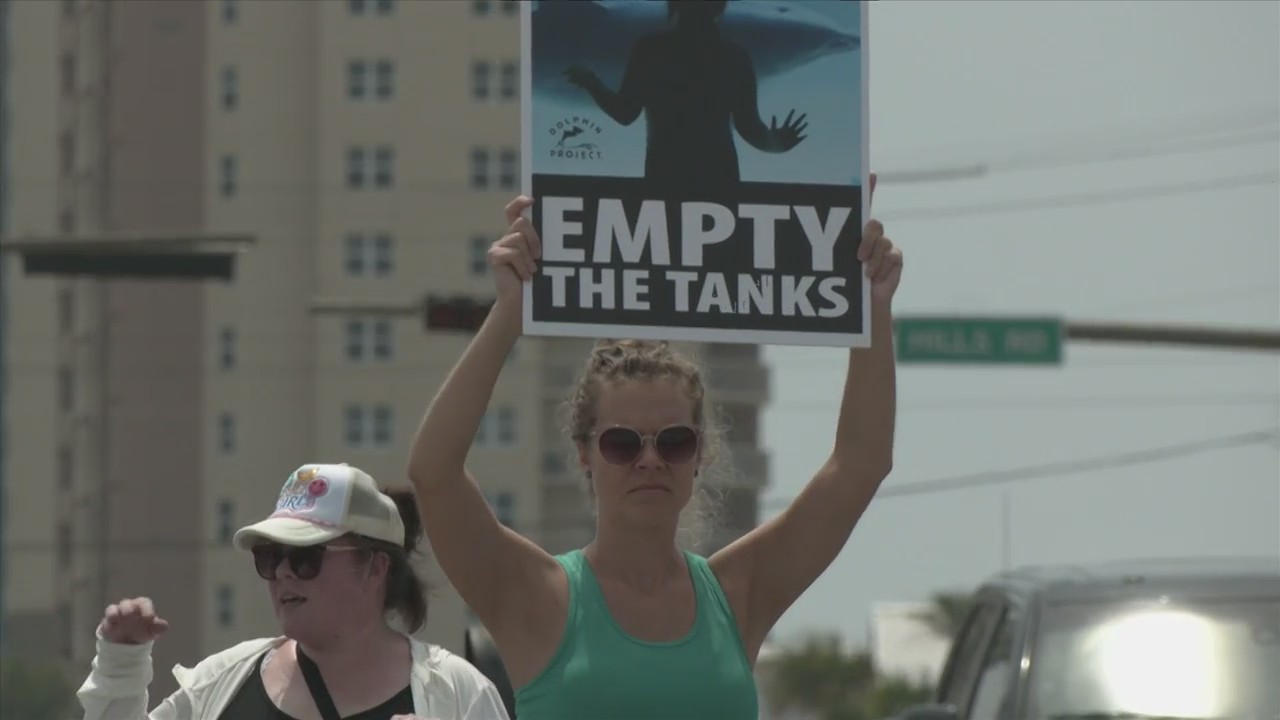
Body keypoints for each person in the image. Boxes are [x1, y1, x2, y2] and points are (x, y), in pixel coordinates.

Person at [408, 175, 901, 718]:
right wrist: (509, 313)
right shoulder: (539, 598)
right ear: (584, 455)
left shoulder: (738, 595)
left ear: (700, 456)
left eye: (674, 441)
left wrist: (871, 306)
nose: (650, 460)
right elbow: (434, 474)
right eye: (622, 443)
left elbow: (861, 463)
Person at [76, 463, 510, 720]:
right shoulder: (222, 683)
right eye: (270, 556)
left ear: (375, 567)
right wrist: (121, 665)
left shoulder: (457, 695)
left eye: (306, 557)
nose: (283, 573)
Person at [564, 0, 807, 196]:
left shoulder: (650, 49)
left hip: (665, 171)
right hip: (720, 174)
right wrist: (774, 144)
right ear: (720, 7)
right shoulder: (734, 57)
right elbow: (748, 127)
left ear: (674, 5)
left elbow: (625, 114)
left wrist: (591, 82)